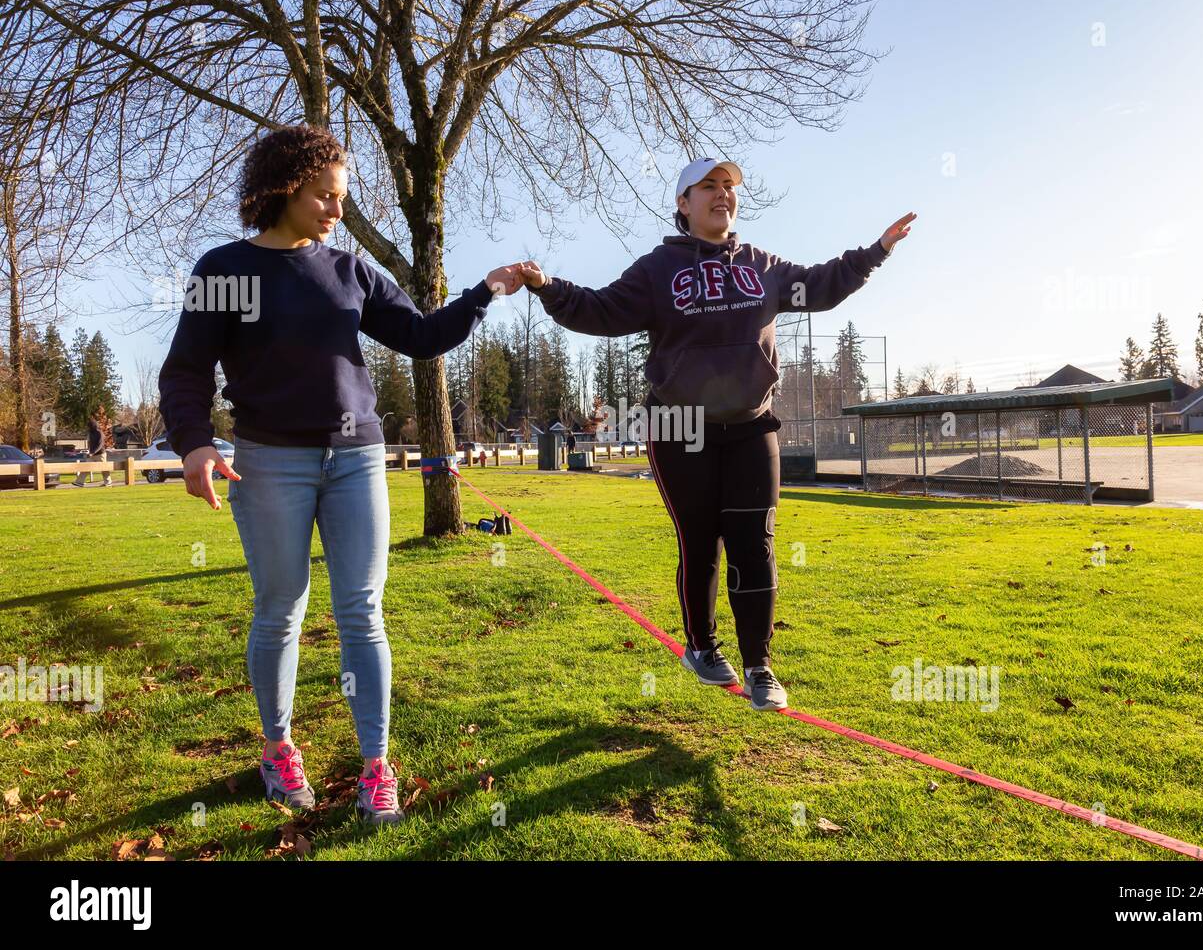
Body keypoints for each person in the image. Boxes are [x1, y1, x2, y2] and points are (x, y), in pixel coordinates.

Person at [159, 124, 526, 824]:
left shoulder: (349, 269)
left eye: (343, 198)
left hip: (357, 458)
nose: (337, 210)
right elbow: (184, 370)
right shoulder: (223, 269)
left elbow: (420, 337)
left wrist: (485, 292)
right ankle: (278, 748)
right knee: (281, 611)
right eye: (326, 195)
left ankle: (376, 766)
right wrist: (196, 445)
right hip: (269, 463)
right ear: (284, 185)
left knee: (362, 611)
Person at [518, 158, 914, 711]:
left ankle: (760, 667)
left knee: (756, 546)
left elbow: (822, 285)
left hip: (751, 426)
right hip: (679, 428)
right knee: (701, 542)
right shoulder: (659, 269)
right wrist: (548, 286)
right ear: (684, 203)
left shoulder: (762, 266)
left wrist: (877, 250)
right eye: (709, 186)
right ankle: (701, 647)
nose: (722, 194)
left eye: (729, 187)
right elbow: (602, 310)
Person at [73, 408, 113, 487]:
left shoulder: (99, 433)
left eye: (89, 426)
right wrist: (89, 451)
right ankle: (79, 482)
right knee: (86, 467)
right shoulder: (90, 433)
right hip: (92, 454)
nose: (88, 428)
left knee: (104, 469)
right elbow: (90, 443)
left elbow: (100, 445)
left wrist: (93, 452)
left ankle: (108, 482)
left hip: (101, 454)